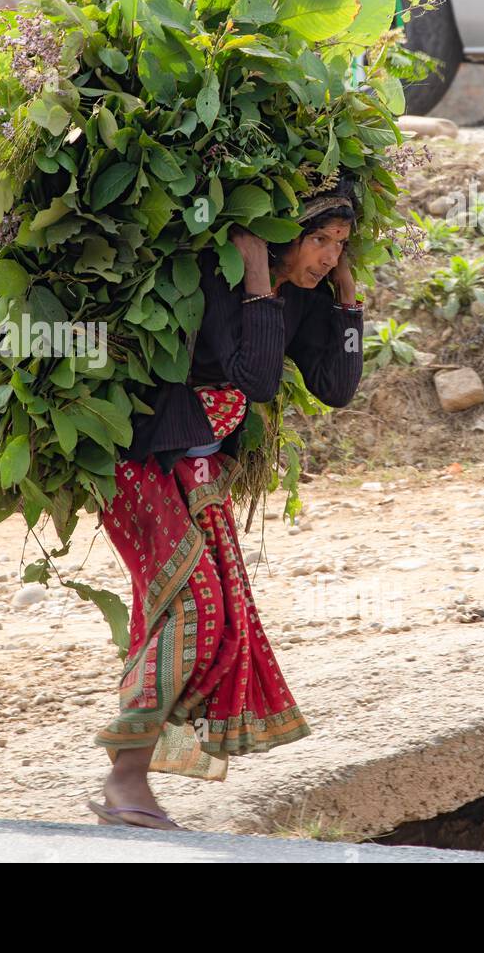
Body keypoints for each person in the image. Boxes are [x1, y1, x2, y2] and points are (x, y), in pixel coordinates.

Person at [89, 177, 366, 830]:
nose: (328, 256)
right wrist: (258, 279)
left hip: (200, 465)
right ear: (282, 235)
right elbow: (258, 378)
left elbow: (336, 387)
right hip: (141, 454)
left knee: (211, 614)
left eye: (340, 245)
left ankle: (126, 783)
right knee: (195, 607)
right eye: (319, 239)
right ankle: (123, 780)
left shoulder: (302, 296)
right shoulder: (216, 278)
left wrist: (349, 302)